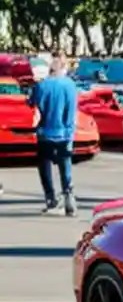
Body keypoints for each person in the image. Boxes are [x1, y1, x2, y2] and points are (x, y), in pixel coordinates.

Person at [26, 52, 78, 215]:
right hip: (65, 132)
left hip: (45, 132)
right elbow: (72, 110)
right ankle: (69, 197)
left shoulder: (41, 86)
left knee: (45, 166)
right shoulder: (70, 85)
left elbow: (31, 103)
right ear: (63, 67)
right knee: (65, 166)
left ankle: (50, 198)